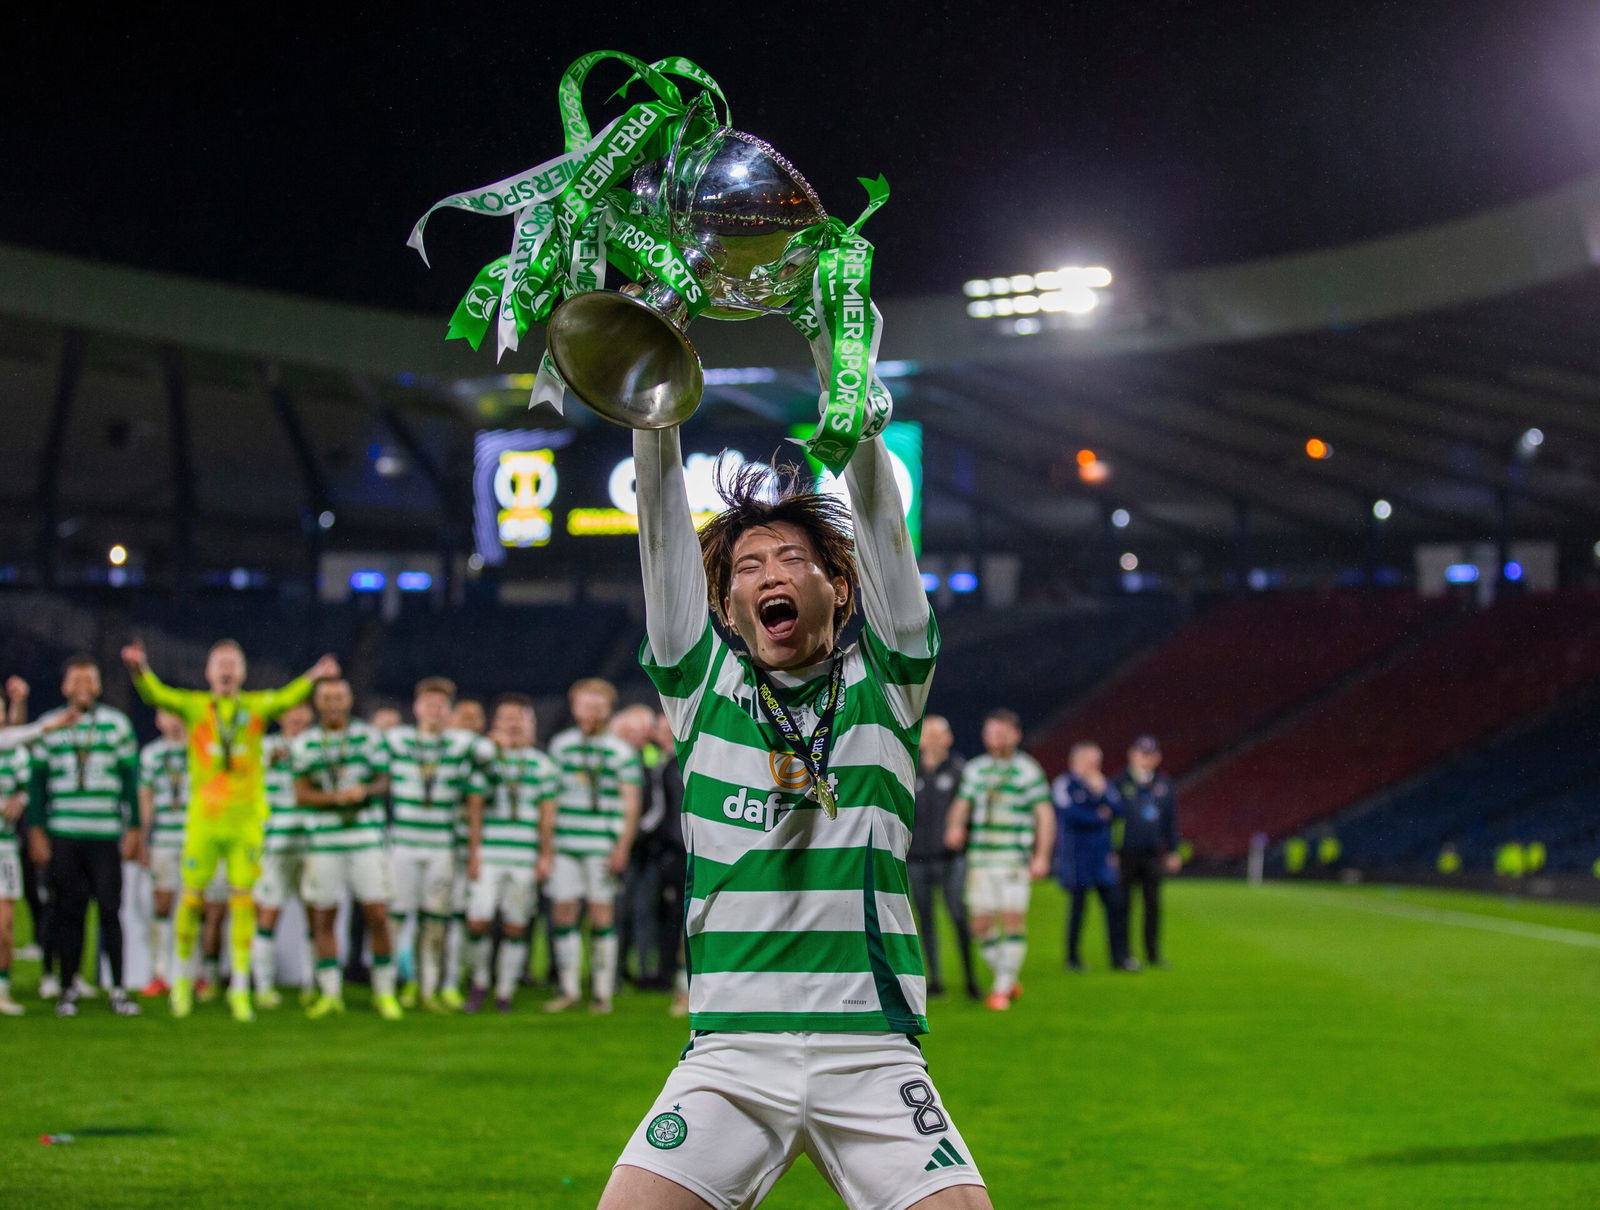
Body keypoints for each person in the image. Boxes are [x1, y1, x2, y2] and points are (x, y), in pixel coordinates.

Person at [598, 425, 989, 1210]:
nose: (767, 574)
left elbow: (881, 529)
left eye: (790, 559)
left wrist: (856, 415)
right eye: (747, 566)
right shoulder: (701, 688)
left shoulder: (889, 683)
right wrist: (653, 409)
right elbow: (663, 537)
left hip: (870, 1050)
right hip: (733, 1052)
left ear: (840, 587)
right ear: (728, 605)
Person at [122, 637, 337, 1021]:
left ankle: (240, 988)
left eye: (232, 663)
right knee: (191, 900)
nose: (225, 669)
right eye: (219, 662)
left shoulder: (254, 708)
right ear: (208, 672)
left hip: (245, 825)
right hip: (204, 822)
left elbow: (287, 699)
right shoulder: (194, 707)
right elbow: (157, 695)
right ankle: (182, 983)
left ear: (242, 672)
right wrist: (140, 669)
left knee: (242, 904)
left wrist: (315, 676)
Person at [25, 656, 143, 1018]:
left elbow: (129, 782)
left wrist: (135, 827)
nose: (82, 686)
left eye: (89, 679)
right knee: (67, 912)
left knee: (111, 910)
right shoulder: (50, 726)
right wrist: (37, 831)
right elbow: (37, 784)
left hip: (105, 834)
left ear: (98, 686)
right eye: (75, 679)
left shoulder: (116, 725)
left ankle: (118, 988)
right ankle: (68, 987)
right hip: (64, 833)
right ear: (64, 686)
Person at [383, 676, 495, 1012]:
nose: (433, 711)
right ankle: (396, 985)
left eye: (441, 706)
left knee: (435, 920)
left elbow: (490, 754)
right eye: (428, 705)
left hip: (441, 847)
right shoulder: (398, 740)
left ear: (449, 711)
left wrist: (465, 735)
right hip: (403, 843)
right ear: (416, 708)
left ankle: (429, 987)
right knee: (398, 917)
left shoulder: (458, 745)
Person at [293, 677, 401, 1019]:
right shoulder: (305, 743)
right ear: (317, 703)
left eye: (339, 696)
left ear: (350, 699)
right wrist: (337, 798)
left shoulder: (369, 737)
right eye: (327, 698)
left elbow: (384, 780)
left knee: (378, 914)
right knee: (324, 916)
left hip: (365, 838)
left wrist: (364, 792)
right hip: (324, 841)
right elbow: (301, 793)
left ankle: (384, 992)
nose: (334, 703)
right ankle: (330, 993)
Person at [945, 709, 1054, 1011]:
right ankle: (1006, 976)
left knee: (1012, 920)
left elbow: (1044, 814)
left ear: (1016, 735)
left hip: (1013, 859)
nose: (996, 737)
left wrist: (1041, 856)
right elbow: (962, 803)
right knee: (980, 925)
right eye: (991, 732)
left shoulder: (1027, 770)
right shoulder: (976, 769)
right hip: (981, 859)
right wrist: (954, 827)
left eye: (1002, 732)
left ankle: (1002, 988)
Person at [544, 678, 641, 1015]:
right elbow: (550, 800)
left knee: (602, 914)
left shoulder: (621, 751)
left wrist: (622, 847)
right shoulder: (560, 746)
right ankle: (569, 988)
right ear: (574, 708)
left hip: (602, 844)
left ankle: (601, 993)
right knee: (564, 913)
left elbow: (632, 803)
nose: (591, 713)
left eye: (597, 707)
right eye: (585, 705)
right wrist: (548, 846)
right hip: (566, 844)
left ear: (607, 710)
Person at [464, 693, 559, 1013]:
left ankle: (504, 990)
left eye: (520, 718)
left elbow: (547, 815)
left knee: (516, 925)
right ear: (496, 724)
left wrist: (545, 855)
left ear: (531, 724)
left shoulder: (542, 764)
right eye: (507, 718)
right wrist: (473, 854)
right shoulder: (487, 762)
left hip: (523, 855)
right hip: (490, 853)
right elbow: (474, 810)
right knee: (478, 920)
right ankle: (479, 981)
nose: (514, 724)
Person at [908, 714, 979, 1000]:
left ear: (949, 738)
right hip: (916, 858)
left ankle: (970, 978)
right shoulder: (909, 769)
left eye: (939, 733)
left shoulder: (961, 770)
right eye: (929, 733)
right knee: (924, 920)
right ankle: (934, 979)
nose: (934, 739)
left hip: (951, 858)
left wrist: (965, 835)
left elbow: (972, 811)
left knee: (958, 915)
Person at [252, 703, 316, 1008]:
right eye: (291, 712)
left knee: (316, 915)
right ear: (280, 716)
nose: (298, 717)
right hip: (274, 844)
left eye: (302, 712)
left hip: (312, 843)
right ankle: (263, 985)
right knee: (268, 913)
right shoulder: (263, 747)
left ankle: (311, 983)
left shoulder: (319, 745)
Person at [1051, 742, 1130, 972]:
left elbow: (1118, 810)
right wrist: (1099, 814)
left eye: (1097, 762)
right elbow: (1070, 814)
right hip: (1077, 859)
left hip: (1102, 858)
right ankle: (1073, 957)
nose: (1095, 766)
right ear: (1077, 761)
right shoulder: (1064, 783)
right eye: (1091, 761)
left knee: (1115, 905)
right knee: (1078, 908)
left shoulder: (1103, 784)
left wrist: (1099, 795)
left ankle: (1120, 957)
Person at [1115, 735, 1180, 970]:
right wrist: (1111, 850)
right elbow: (1111, 820)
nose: (1146, 759)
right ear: (1131, 754)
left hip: (1153, 853)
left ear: (1158, 757)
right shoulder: (1119, 783)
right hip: (1125, 853)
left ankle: (1152, 953)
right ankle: (1124, 954)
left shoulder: (1164, 784)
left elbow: (1170, 820)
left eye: (1150, 754)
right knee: (1123, 904)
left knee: (1153, 904)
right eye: (1142, 753)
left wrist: (1173, 850)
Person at [137, 709, 190, 995]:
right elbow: (145, 799)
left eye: (177, 714)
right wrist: (144, 840)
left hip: (195, 838)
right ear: (158, 719)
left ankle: (197, 974)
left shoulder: (201, 750)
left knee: (197, 906)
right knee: (162, 904)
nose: (174, 720)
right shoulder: (151, 755)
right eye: (167, 714)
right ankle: (160, 972)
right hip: (164, 839)